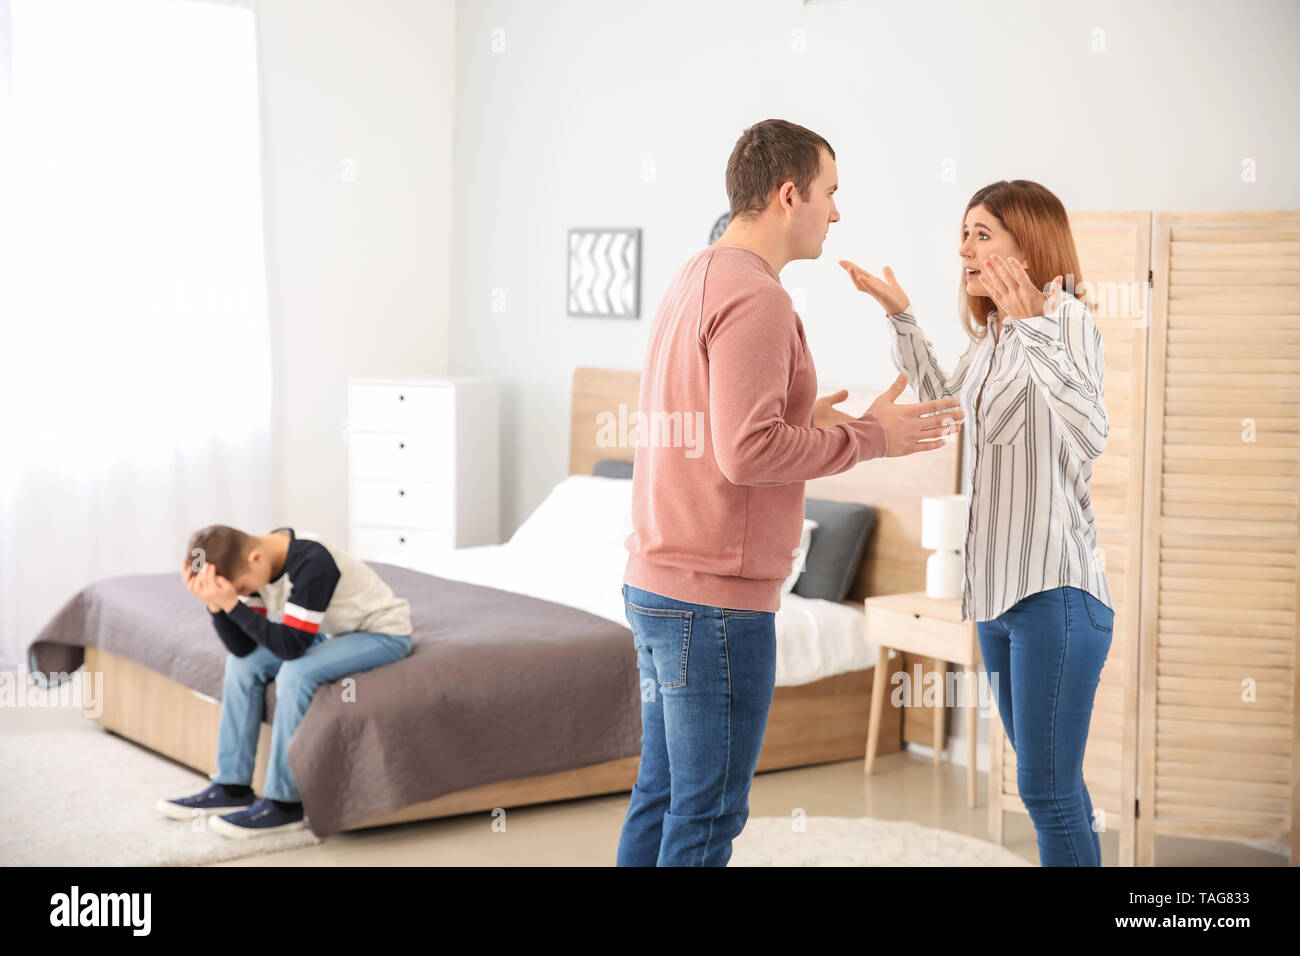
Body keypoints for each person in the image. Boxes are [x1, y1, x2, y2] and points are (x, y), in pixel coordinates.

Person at [618, 118, 966, 867]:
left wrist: (802, 419)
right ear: (788, 195)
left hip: (656, 582)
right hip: (712, 601)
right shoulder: (759, 298)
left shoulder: (696, 274)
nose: (835, 213)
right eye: (830, 193)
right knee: (707, 816)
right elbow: (746, 455)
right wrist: (874, 437)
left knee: (663, 795)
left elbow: (707, 420)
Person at [840, 178, 1116, 866]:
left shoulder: (1067, 320)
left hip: (1056, 593)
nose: (965, 247)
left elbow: (1090, 433)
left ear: (1029, 247)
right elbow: (942, 408)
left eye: (983, 234)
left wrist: (1034, 330)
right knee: (1054, 785)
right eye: (963, 232)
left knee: (1044, 790)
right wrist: (902, 318)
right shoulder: (993, 339)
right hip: (996, 598)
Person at [158, 525, 412, 838]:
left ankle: (285, 805)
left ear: (254, 558)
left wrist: (231, 605)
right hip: (325, 634)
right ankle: (233, 786)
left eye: (241, 588)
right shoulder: (257, 565)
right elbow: (244, 647)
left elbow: (291, 649)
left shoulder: (313, 562)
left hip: (380, 635)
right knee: (242, 665)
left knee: (296, 672)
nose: (242, 595)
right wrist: (215, 604)